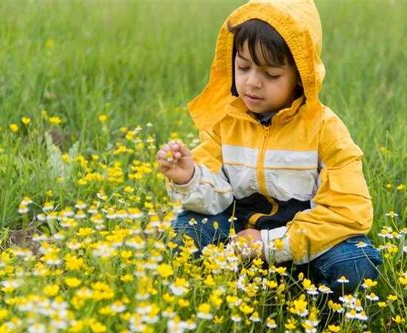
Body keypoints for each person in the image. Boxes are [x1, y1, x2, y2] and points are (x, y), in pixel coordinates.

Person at [156, 0, 381, 295]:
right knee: (183, 232)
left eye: (271, 74)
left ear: (301, 78)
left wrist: (270, 245)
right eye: (243, 67)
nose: (252, 82)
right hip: (238, 236)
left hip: (304, 241)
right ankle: (234, 278)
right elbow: (216, 200)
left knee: (356, 263)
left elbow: (347, 212)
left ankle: (297, 287)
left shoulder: (325, 129)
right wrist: (189, 177)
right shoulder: (225, 121)